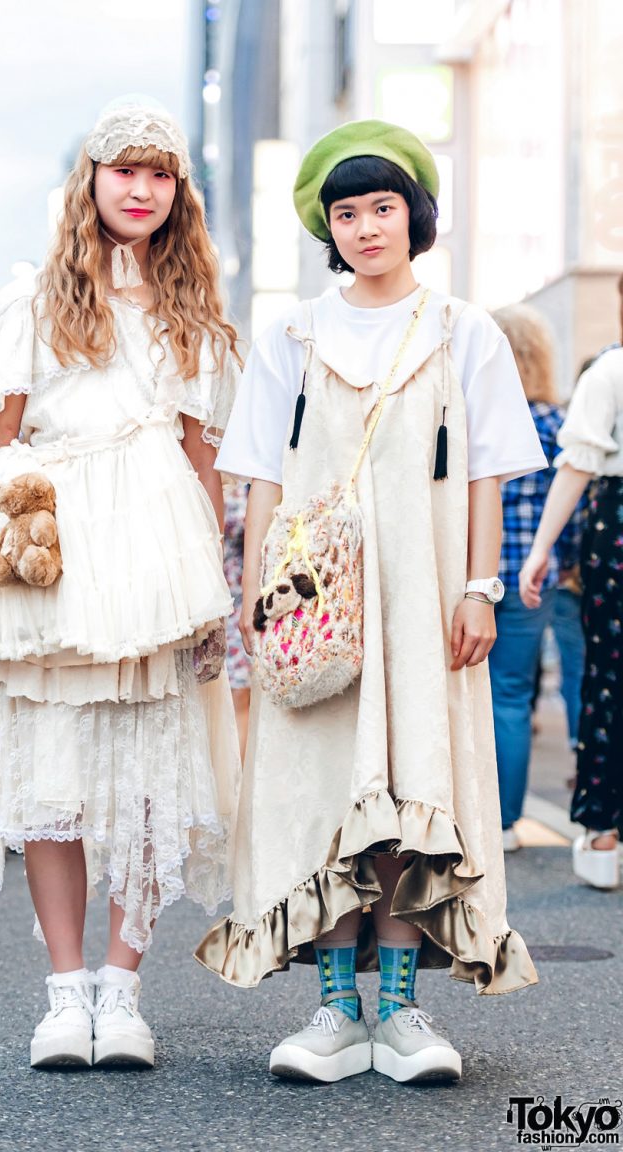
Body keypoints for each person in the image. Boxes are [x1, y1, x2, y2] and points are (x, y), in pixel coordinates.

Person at [196, 120, 545, 1085]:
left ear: (415, 216)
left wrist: (480, 588)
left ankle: (400, 1011)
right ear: (329, 228)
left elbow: (487, 478)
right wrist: (257, 596)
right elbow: (260, 474)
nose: (364, 227)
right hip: (316, 608)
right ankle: (335, 1012)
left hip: (428, 598)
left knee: (411, 791)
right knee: (321, 794)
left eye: (382, 207)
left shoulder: (463, 330)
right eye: (346, 213)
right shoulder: (292, 335)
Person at [0, 99, 242, 1069]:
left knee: (152, 780)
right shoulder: (33, 300)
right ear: (93, 181)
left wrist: (219, 586)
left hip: (160, 555)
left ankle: (125, 990)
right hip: (54, 549)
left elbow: (206, 463)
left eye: (160, 175)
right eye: (125, 171)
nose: (142, 190)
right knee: (52, 783)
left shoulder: (194, 309)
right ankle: (66, 995)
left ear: (178, 193)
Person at [520, 336, 623, 891]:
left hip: (617, 528)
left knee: (608, 678)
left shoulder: (610, 370)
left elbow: (577, 462)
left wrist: (542, 549)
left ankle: (605, 835)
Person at [487, 305, 586, 852]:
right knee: (512, 695)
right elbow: (567, 506)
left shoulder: (476, 416)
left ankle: (464, 816)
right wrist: (563, 561)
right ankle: (505, 823)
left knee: (465, 696)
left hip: (471, 574)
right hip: (533, 579)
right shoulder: (554, 423)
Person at [222, 482, 252, 760]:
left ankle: (241, 785)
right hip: (220, 601)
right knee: (232, 697)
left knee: (243, 695)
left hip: (246, 597)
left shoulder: (248, 482)